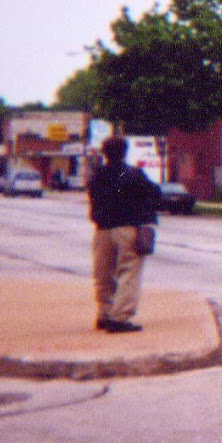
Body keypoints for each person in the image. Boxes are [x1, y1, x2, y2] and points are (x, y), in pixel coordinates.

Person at [87, 136, 160, 333]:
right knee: (129, 272)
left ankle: (104, 313)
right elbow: (155, 193)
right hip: (128, 228)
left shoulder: (97, 176)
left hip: (102, 229)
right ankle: (120, 317)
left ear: (104, 153)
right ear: (125, 152)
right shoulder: (134, 174)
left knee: (103, 274)